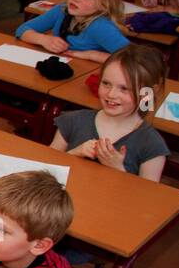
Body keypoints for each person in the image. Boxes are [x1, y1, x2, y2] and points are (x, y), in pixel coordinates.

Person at [49, 43, 169, 181]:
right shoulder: (72, 120)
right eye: (106, 83)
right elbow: (45, 170)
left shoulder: (151, 144)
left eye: (124, 88)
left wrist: (119, 169)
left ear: (148, 93)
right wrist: (75, 153)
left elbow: (147, 197)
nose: (111, 94)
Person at [15, 0, 128, 64]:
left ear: (104, 5)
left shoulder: (100, 27)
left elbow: (133, 59)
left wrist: (93, 55)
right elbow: (22, 30)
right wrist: (43, 39)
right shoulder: (61, 10)